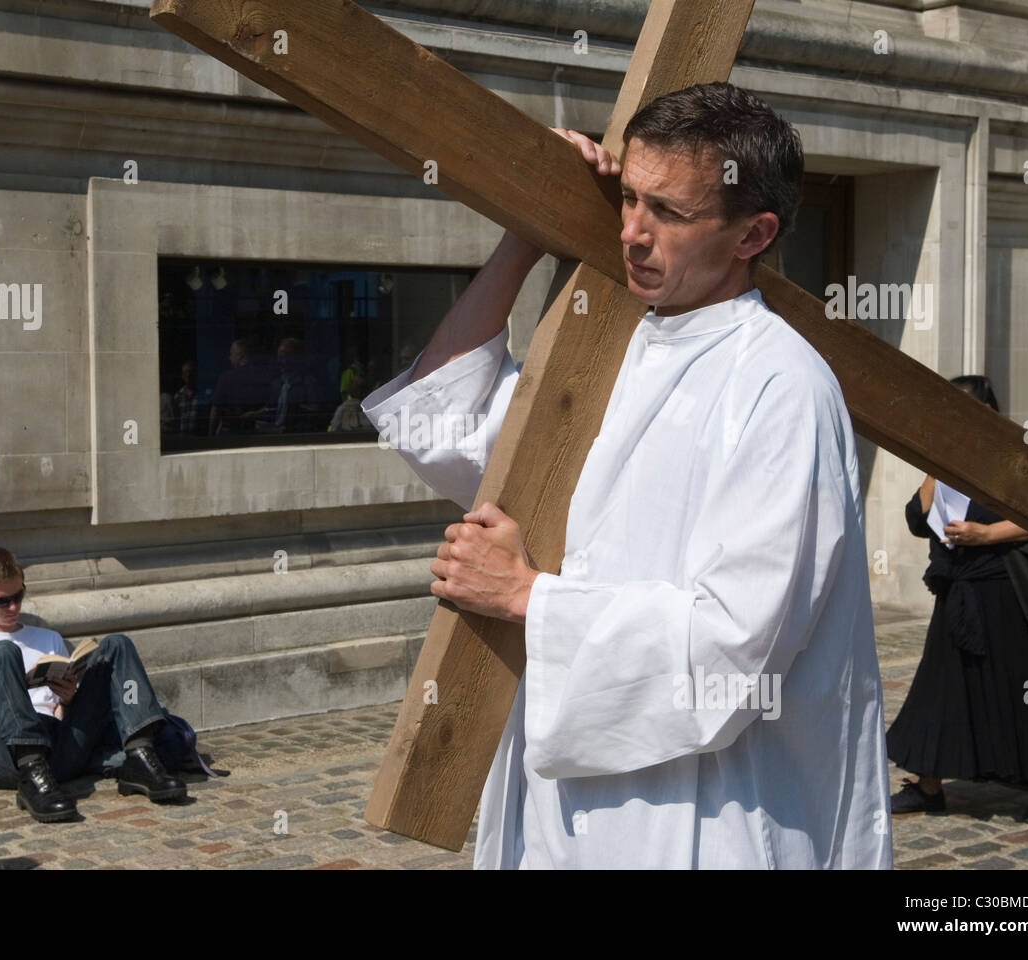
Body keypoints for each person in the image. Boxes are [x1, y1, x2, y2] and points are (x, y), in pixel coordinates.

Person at [362, 82, 891, 868]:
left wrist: (524, 595)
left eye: (669, 213)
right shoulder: (605, 346)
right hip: (561, 803)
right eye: (629, 199)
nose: (633, 233)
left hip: (703, 813)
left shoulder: (782, 388)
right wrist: (526, 232)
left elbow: (730, 655)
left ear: (754, 232)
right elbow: (439, 422)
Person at [887, 375, 1028, 825]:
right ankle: (929, 785)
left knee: (1026, 691)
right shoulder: (946, 460)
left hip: (1011, 597)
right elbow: (919, 519)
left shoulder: (1019, 456)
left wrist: (989, 533)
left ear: (987, 413)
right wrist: (936, 462)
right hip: (958, 594)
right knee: (942, 689)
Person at [0, 546, 185, 823]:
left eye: (18, 596)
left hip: (58, 747)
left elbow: (63, 716)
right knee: (2, 652)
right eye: (2, 601)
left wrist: (68, 700)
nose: (14, 607)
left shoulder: (48, 637)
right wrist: (18, 687)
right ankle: (32, 776)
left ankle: (140, 754)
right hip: (3, 756)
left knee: (117, 645)